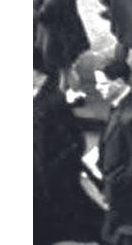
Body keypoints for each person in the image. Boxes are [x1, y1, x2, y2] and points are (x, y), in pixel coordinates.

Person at [34, 71, 103, 245]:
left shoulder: (53, 100)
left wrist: (58, 167)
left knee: (81, 217)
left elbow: (75, 140)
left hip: (53, 176)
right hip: (39, 177)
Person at [94, 58, 132, 244]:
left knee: (112, 234)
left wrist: (116, 187)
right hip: (123, 187)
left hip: (125, 190)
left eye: (103, 83)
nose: (98, 88)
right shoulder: (122, 104)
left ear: (120, 82)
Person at [33, 0, 91, 106]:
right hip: (71, 36)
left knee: (66, 71)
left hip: (57, 42)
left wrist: (36, 0)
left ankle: (71, 94)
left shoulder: (51, 1)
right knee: (66, 69)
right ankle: (67, 92)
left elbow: (39, 16)